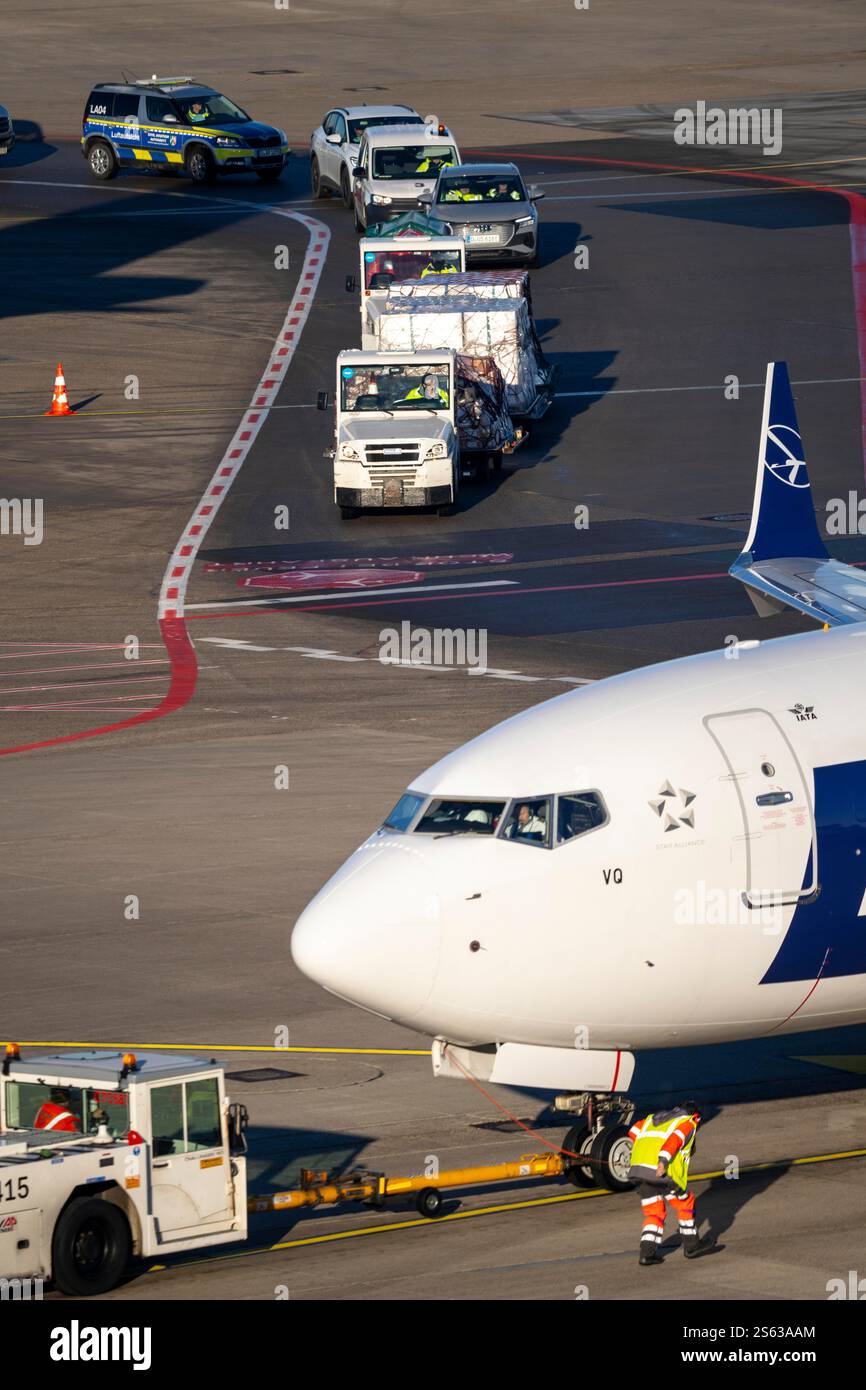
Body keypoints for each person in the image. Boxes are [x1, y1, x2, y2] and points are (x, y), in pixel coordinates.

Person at [628, 1102, 715, 1265]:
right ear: (695, 1116)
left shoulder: (652, 1120)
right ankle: (692, 1246)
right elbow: (674, 1141)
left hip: (639, 1172)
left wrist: (646, 1151)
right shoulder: (687, 1123)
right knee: (685, 1203)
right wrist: (662, 1161)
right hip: (662, 1174)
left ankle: (646, 1254)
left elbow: (632, 1132)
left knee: (654, 1212)